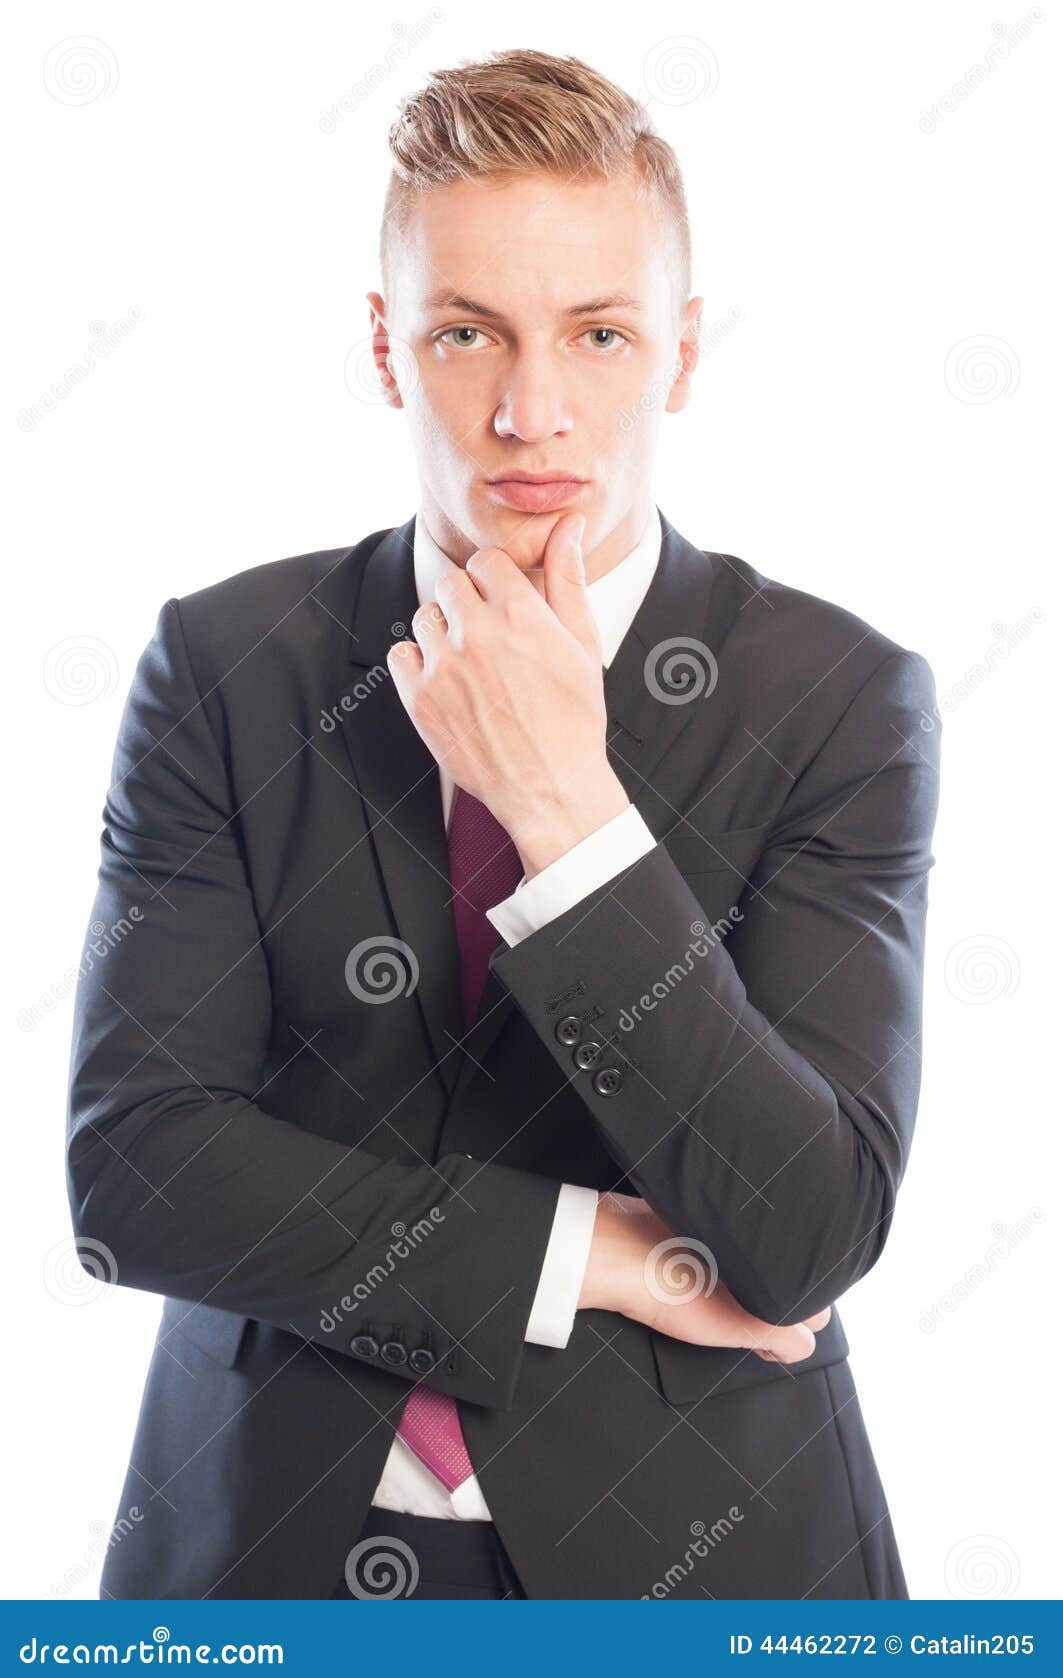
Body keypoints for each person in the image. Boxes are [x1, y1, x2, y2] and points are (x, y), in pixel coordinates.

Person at [66, 48, 940, 1600]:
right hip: (266, 1551)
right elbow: (137, 1169)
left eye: (597, 333)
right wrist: (585, 1253)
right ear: (390, 350)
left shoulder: (837, 698)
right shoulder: (227, 666)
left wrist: (572, 816)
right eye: (468, 331)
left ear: (679, 350)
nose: (533, 412)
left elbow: (802, 1227)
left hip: (707, 1566)